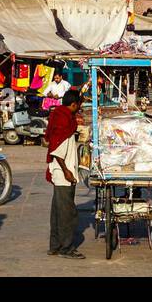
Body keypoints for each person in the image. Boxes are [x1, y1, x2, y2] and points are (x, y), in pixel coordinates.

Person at [46, 89, 84, 259]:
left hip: (60, 171)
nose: (79, 109)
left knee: (57, 213)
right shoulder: (65, 120)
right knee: (67, 214)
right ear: (74, 104)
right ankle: (66, 248)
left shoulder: (60, 115)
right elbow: (57, 149)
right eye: (79, 105)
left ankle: (55, 246)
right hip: (63, 173)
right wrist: (67, 171)